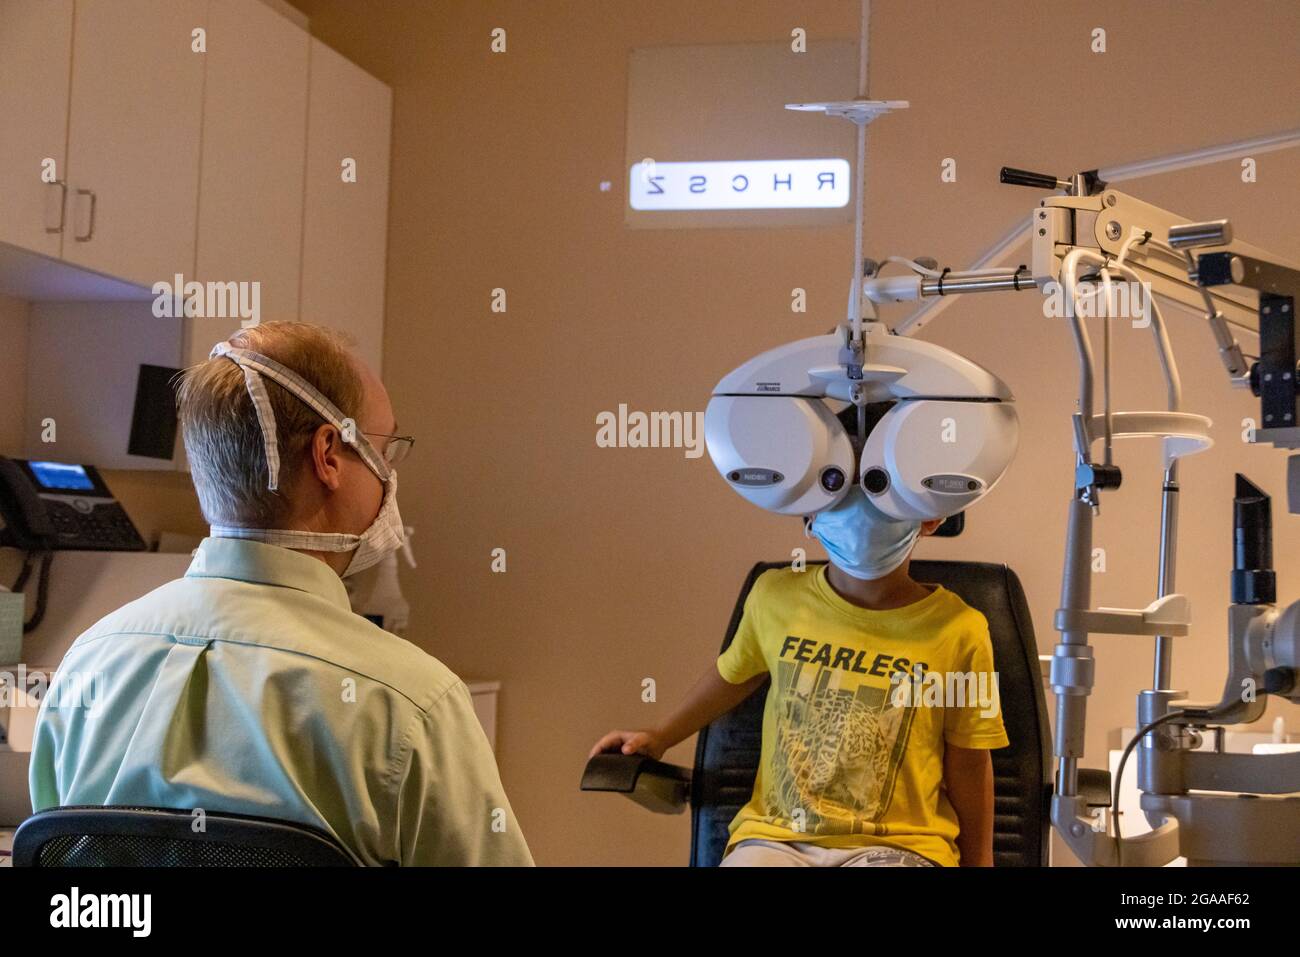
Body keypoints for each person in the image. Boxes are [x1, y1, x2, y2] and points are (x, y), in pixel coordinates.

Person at [29, 321, 533, 866]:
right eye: (385, 450)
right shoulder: (408, 702)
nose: (389, 475)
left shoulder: (89, 662)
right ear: (328, 455)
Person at [591, 410, 1008, 867]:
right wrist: (661, 736)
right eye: (841, 486)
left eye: (877, 488)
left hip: (899, 845)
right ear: (807, 509)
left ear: (930, 516)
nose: (860, 507)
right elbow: (733, 675)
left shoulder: (961, 630)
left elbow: (970, 761)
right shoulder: (775, 597)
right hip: (774, 839)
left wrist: (980, 861)